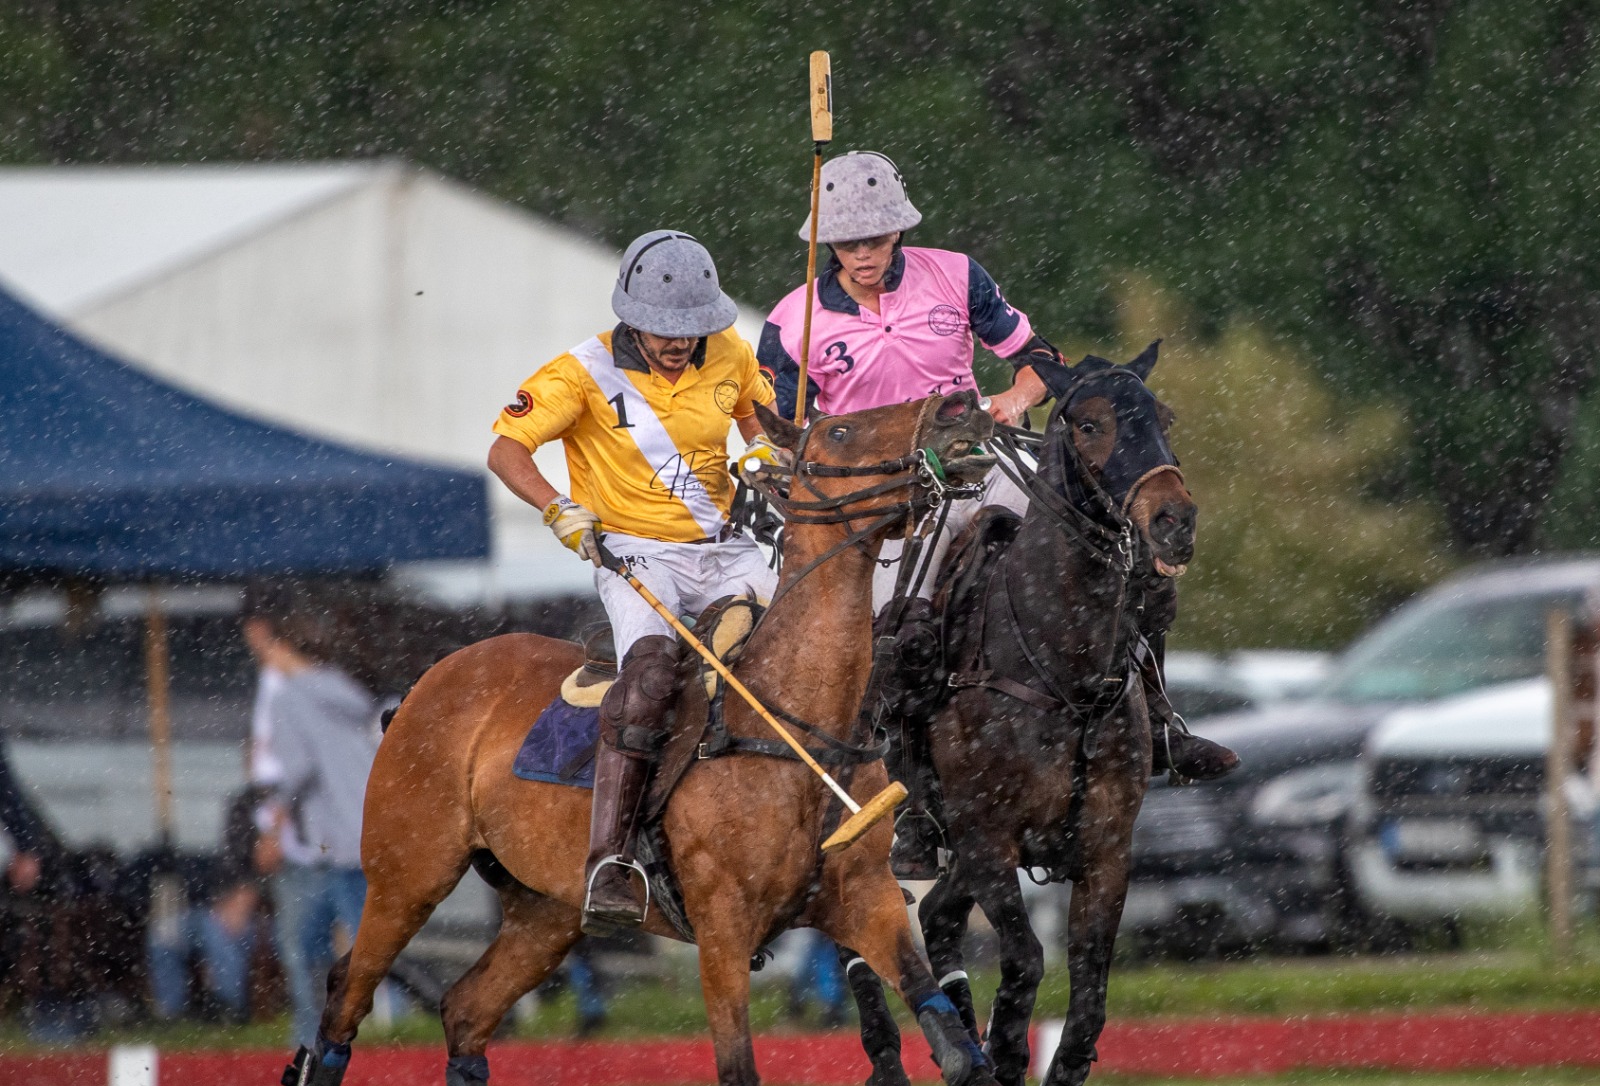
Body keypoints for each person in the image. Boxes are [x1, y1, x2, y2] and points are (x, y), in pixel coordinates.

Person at [761, 152, 1236, 877]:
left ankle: (1162, 720)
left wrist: (1015, 397)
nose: (863, 255)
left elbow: (1039, 356)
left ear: (898, 232)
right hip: (886, 495)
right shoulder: (793, 317)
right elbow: (782, 425)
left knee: (1109, 557)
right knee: (896, 634)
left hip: (981, 459)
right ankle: (913, 802)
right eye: (849, 243)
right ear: (829, 244)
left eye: (876, 239)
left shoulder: (955, 275)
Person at [488, 230, 779, 934]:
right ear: (631, 316)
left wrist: (763, 452)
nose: (680, 342)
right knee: (648, 679)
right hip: (636, 553)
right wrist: (557, 508)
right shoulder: (579, 374)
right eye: (664, 330)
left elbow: (761, 421)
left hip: (726, 546)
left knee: (817, 641)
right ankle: (612, 859)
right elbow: (505, 450)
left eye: (692, 328)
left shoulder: (732, 351)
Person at [242, 597, 380, 1049]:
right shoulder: (343, 688)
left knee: (305, 948)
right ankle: (386, 1028)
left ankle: (314, 1040)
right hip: (367, 831)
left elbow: (297, 770)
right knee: (374, 946)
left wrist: (271, 828)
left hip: (328, 844)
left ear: (282, 647)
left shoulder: (289, 699)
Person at [143, 786, 262, 1025]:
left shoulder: (274, 804)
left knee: (218, 928)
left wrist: (248, 898)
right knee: (163, 933)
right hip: (210, 908)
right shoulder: (241, 803)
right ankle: (171, 1012)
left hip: (256, 915)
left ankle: (229, 1007)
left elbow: (271, 868)